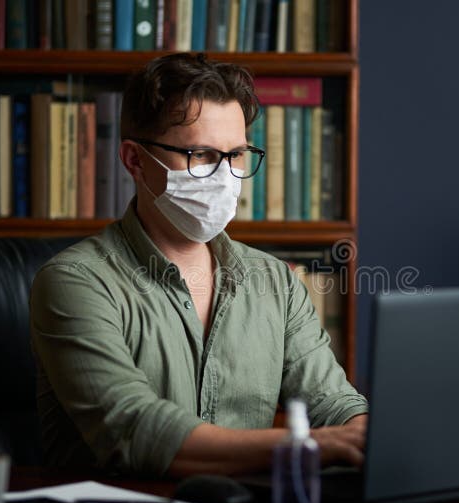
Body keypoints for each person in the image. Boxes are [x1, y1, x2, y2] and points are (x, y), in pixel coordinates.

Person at [30, 53, 368, 478]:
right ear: (134, 160)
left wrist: (366, 436)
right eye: (202, 155)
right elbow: (136, 429)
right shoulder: (75, 283)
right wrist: (306, 446)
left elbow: (334, 404)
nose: (225, 175)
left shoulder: (276, 283)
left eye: (238, 155)